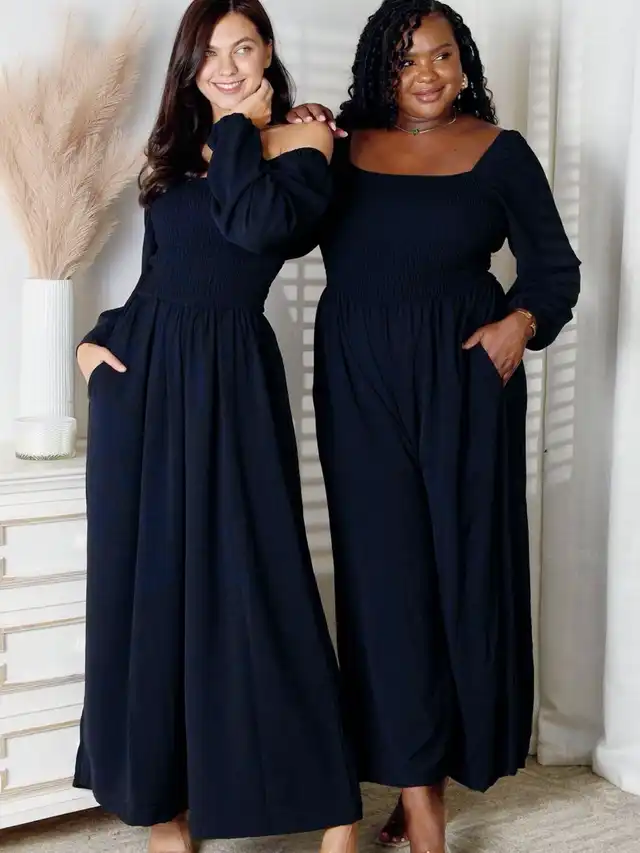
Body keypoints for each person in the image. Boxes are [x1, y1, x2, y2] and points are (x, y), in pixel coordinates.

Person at [286, 2, 581, 852]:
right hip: (360, 386)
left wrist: (520, 323)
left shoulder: (500, 151)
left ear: (464, 64)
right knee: (386, 585)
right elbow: (275, 223)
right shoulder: (340, 149)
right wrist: (296, 135)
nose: (427, 73)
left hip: (466, 382)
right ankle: (418, 796)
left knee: (464, 575)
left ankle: (436, 773)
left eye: (443, 56)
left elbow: (554, 268)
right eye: (408, 57)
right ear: (380, 65)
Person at [73, 2, 362, 851]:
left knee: (261, 582)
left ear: (268, 52)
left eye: (243, 48)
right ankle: (167, 808)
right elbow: (157, 273)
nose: (226, 67)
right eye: (210, 53)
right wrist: (94, 343)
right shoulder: (174, 151)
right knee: (146, 587)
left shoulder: (303, 143)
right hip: (141, 379)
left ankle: (336, 806)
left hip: (231, 376)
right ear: (188, 63)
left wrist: (243, 128)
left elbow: (257, 226)